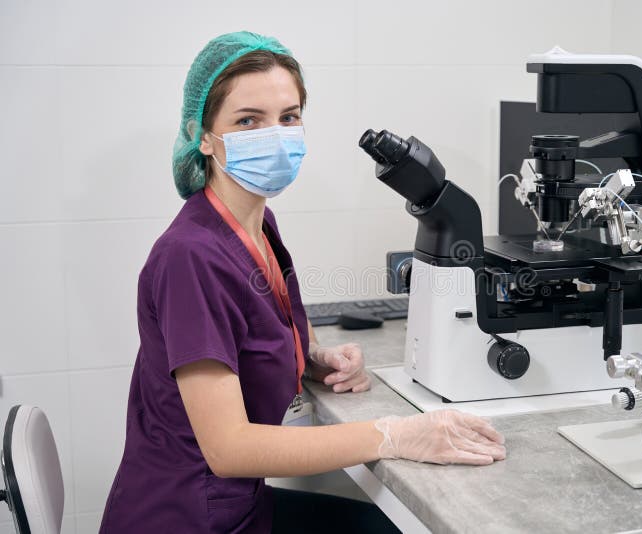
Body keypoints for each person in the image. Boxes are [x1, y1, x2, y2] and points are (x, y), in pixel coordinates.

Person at [99, 31, 506, 533]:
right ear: (203, 135)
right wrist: (395, 435)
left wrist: (313, 360)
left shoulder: (255, 226)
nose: (275, 134)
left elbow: (255, 333)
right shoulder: (192, 257)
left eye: (288, 117)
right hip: (186, 516)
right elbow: (229, 448)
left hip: (236, 507)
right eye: (248, 120)